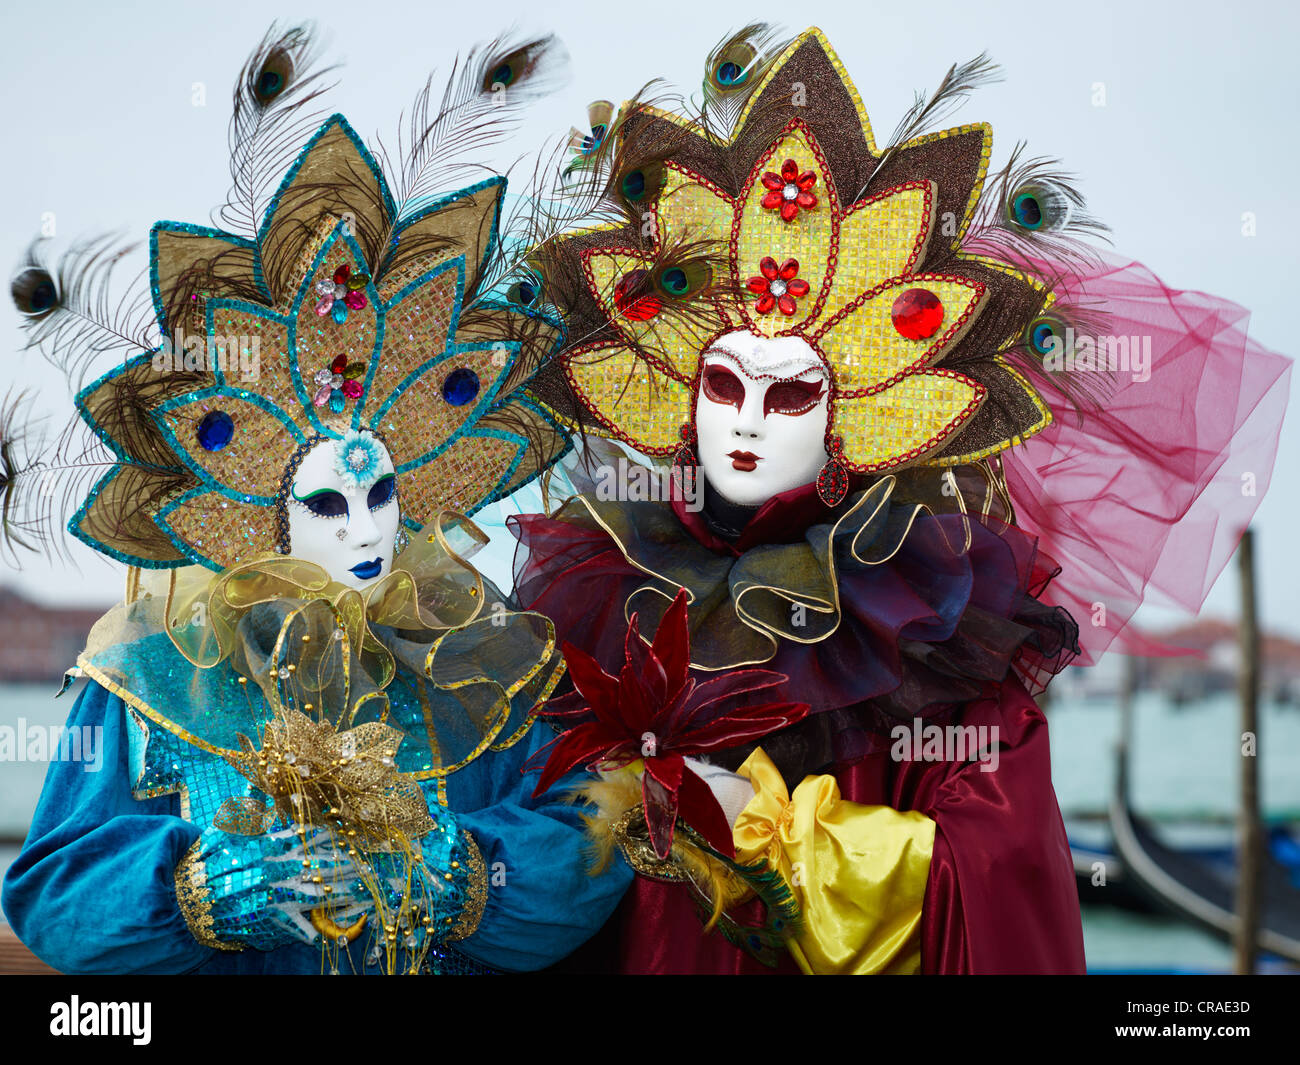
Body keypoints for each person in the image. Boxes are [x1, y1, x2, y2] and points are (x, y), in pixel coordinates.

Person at [508, 25, 1291, 974]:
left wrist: (773, 832)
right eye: (725, 385)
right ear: (679, 397)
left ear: (855, 413)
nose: (749, 420)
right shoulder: (598, 596)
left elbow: (993, 869)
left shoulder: (933, 620)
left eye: (791, 392)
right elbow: (533, 836)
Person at [1, 26, 630, 974]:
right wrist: (195, 892)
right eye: (331, 506)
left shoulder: (486, 658)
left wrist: (468, 880)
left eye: (383, 493)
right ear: (263, 509)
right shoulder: (155, 675)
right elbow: (50, 886)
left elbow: (594, 835)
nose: (369, 527)